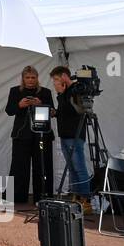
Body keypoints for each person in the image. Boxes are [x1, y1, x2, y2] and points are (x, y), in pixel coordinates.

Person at [4, 66, 55, 204]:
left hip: (42, 135)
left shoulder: (45, 92)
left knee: (43, 167)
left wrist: (41, 105)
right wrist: (20, 105)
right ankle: (17, 197)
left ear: (37, 78)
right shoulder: (15, 91)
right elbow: (9, 111)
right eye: (28, 77)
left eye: (33, 77)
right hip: (21, 135)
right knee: (19, 167)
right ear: (23, 78)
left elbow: (53, 112)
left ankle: (43, 197)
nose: (30, 80)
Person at [50, 67, 87, 199]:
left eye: (56, 79)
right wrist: (55, 112)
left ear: (64, 76)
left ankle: (85, 198)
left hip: (74, 134)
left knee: (79, 168)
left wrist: (63, 90)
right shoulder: (64, 94)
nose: (54, 83)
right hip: (65, 134)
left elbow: (78, 109)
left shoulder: (76, 89)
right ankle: (76, 196)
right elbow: (65, 112)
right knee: (72, 168)